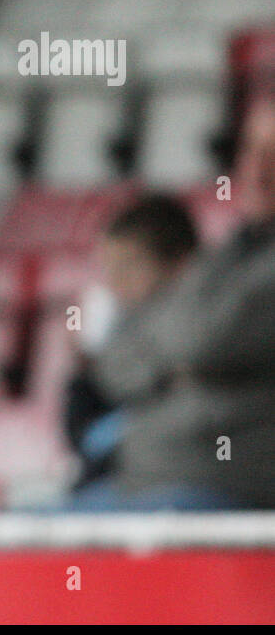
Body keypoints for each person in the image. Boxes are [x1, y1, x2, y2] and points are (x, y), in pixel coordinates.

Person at [83, 102, 275, 510]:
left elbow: (204, 340)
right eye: (252, 151)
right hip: (142, 487)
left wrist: (167, 350)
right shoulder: (229, 252)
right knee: (17, 531)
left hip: (222, 493)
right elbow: (116, 362)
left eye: (274, 155)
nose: (259, 170)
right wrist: (175, 368)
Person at [63, 194, 198, 496]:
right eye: (109, 269)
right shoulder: (121, 342)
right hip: (112, 485)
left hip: (165, 487)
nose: (115, 284)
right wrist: (84, 368)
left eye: (129, 266)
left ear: (181, 264)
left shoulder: (200, 337)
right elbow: (82, 438)